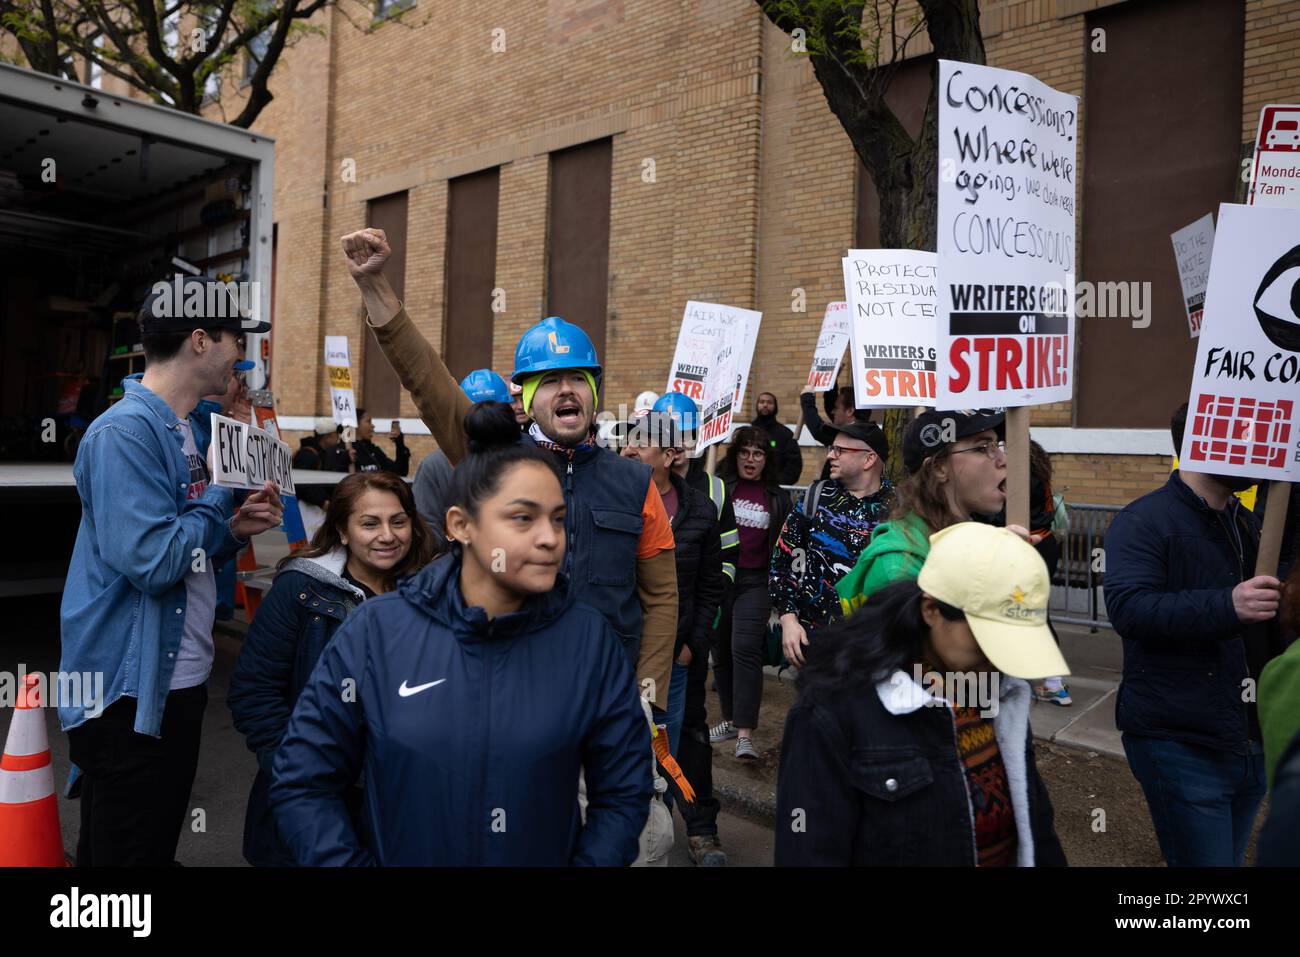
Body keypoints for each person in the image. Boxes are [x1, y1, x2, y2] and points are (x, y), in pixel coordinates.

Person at [270, 403, 652, 865]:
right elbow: (304, 782)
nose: (551, 538)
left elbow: (623, 794)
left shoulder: (588, 640)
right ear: (460, 525)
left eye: (557, 518)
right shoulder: (377, 630)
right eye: (523, 518)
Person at [338, 226, 678, 715]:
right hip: (505, 692)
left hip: (606, 702)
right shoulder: (491, 458)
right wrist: (375, 287)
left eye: (577, 379)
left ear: (595, 393)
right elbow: (426, 380)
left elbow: (662, 599)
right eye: (550, 381)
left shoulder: (635, 482)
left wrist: (649, 698)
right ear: (524, 396)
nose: (566, 390)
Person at [59, 276, 282, 866]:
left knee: (141, 847)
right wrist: (221, 490)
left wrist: (232, 531)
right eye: (238, 339)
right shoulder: (124, 433)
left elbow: (188, 552)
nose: (245, 355)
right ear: (201, 340)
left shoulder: (187, 428)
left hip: (171, 680)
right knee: (123, 860)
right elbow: (156, 562)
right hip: (129, 691)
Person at [775, 523, 1069, 866]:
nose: (998, 659)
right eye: (986, 637)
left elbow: (1036, 828)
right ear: (931, 610)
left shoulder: (995, 693)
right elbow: (811, 853)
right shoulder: (832, 712)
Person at [1103, 402, 1285, 867]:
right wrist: (1228, 604)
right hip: (1181, 743)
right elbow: (1130, 609)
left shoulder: (1247, 524)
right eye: (1245, 437)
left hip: (1247, 741)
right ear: (1204, 441)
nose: (1259, 450)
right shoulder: (1143, 521)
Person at [228, 471, 433, 865]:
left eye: (398, 521)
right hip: (315, 803)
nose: (387, 536)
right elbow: (254, 693)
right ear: (341, 531)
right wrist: (301, 775)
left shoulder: (433, 593)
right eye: (369, 523)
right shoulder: (300, 591)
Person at [616, 408, 727, 865]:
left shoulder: (701, 509)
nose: (627, 450)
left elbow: (709, 587)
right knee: (616, 742)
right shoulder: (616, 498)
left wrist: (689, 648)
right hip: (619, 652)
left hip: (673, 661)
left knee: (665, 745)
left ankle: (655, 834)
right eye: (625, 441)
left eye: (639, 443)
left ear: (669, 454)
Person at [836, 409, 1008, 615]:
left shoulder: (973, 540)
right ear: (939, 468)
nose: (1002, 459)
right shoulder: (898, 570)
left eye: (997, 445)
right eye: (982, 448)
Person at [770, 419, 893, 668]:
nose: (830, 456)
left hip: (878, 647)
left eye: (840, 450)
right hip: (817, 643)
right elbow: (783, 562)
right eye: (831, 448)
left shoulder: (900, 507)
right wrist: (789, 619)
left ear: (868, 459)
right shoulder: (815, 498)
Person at [710, 427, 792, 759]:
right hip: (720, 579)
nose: (750, 459)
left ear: (766, 460)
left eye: (758, 453)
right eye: (745, 452)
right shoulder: (720, 488)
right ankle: (730, 719)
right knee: (721, 651)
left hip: (756, 583)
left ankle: (745, 733)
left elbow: (786, 546)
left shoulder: (778, 497)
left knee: (744, 649)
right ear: (735, 455)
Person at [413, 369, 518, 547]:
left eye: (495, 412)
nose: (487, 421)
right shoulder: (435, 467)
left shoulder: (524, 460)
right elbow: (426, 534)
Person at [799, 383, 875, 481]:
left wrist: (807, 399)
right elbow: (830, 406)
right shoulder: (867, 431)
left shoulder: (855, 436)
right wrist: (831, 381)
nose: (832, 412)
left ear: (850, 411)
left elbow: (818, 430)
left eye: (836, 408)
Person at [751, 391, 803, 485]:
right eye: (762, 402)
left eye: (769, 402)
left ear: (775, 407)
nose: (765, 405)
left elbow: (793, 466)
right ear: (757, 405)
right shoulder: (748, 432)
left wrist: (776, 483)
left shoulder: (785, 434)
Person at [350, 408, 410, 476]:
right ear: (355, 425)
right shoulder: (345, 451)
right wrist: (346, 457)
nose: (373, 426)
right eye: (368, 421)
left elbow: (399, 472)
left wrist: (400, 444)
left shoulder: (373, 451)